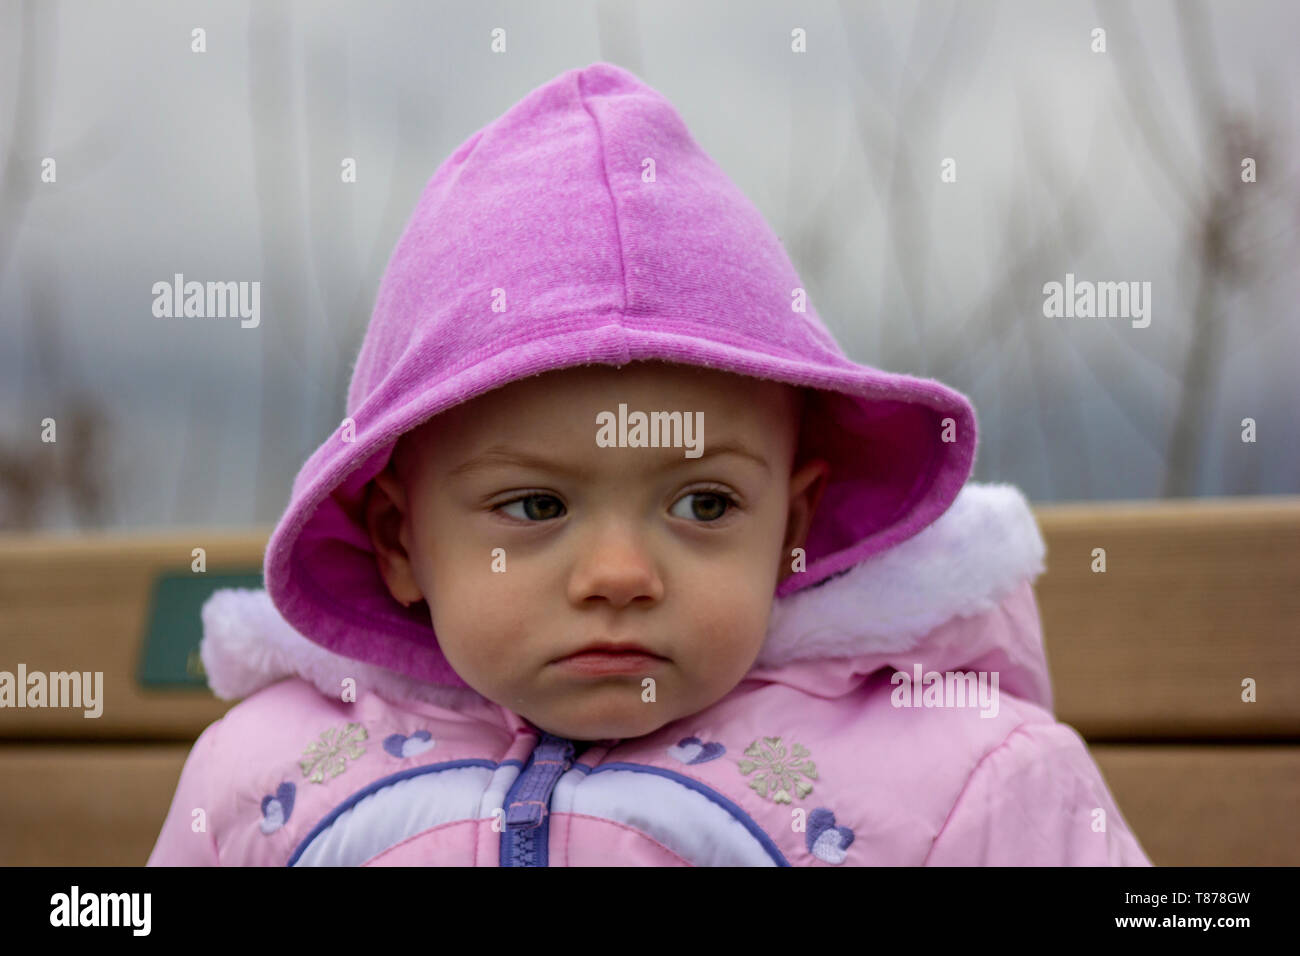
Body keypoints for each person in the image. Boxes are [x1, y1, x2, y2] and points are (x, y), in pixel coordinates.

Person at [147, 62, 1151, 866]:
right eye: (536, 503)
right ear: (401, 540)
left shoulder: (960, 779)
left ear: (789, 526)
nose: (621, 575)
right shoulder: (263, 775)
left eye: (704, 501)